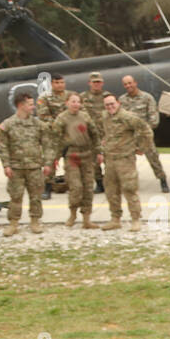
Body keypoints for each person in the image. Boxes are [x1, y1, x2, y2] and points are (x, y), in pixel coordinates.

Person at [0, 89, 53, 236]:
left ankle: (35, 221)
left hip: (34, 167)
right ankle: (13, 223)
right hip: (16, 168)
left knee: (36, 196)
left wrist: (47, 163)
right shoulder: (8, 124)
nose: (33, 107)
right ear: (20, 105)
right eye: (30, 104)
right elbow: (2, 146)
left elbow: (47, 143)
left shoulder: (37, 124)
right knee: (15, 197)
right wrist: (6, 165)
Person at [99, 93, 153, 232]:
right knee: (111, 191)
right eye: (107, 105)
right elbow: (105, 133)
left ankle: (135, 219)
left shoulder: (127, 117)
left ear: (118, 103)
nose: (110, 107)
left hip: (125, 160)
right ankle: (115, 219)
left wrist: (142, 147)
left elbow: (146, 130)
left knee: (129, 189)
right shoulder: (105, 116)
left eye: (112, 104)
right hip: (110, 160)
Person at [50, 92, 101, 228]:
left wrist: (99, 152)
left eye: (78, 102)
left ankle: (86, 219)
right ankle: (72, 214)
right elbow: (55, 139)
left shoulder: (85, 117)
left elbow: (95, 134)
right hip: (71, 156)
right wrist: (55, 158)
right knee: (76, 187)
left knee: (88, 188)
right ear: (67, 103)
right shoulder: (62, 118)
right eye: (73, 101)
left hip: (86, 155)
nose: (75, 104)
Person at [119, 75, 170, 194]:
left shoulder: (147, 98)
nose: (128, 86)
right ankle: (130, 183)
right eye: (125, 84)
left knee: (154, 159)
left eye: (130, 83)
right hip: (129, 137)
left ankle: (163, 180)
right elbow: (120, 118)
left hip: (144, 136)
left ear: (135, 83)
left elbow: (154, 120)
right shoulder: (122, 100)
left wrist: (142, 132)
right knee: (127, 161)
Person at [38, 73, 69, 200]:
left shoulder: (70, 95)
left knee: (72, 162)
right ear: (52, 84)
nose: (60, 85)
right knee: (49, 162)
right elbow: (43, 115)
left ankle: (72, 185)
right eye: (57, 83)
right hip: (53, 137)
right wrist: (59, 125)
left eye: (62, 82)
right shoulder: (45, 97)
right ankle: (47, 188)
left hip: (69, 136)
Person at [81, 72, 108, 193]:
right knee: (94, 161)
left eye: (99, 82)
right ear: (89, 83)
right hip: (91, 134)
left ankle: (110, 183)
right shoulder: (83, 97)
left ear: (102, 83)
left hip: (107, 133)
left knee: (109, 160)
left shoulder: (107, 97)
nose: (96, 84)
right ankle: (99, 183)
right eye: (94, 82)